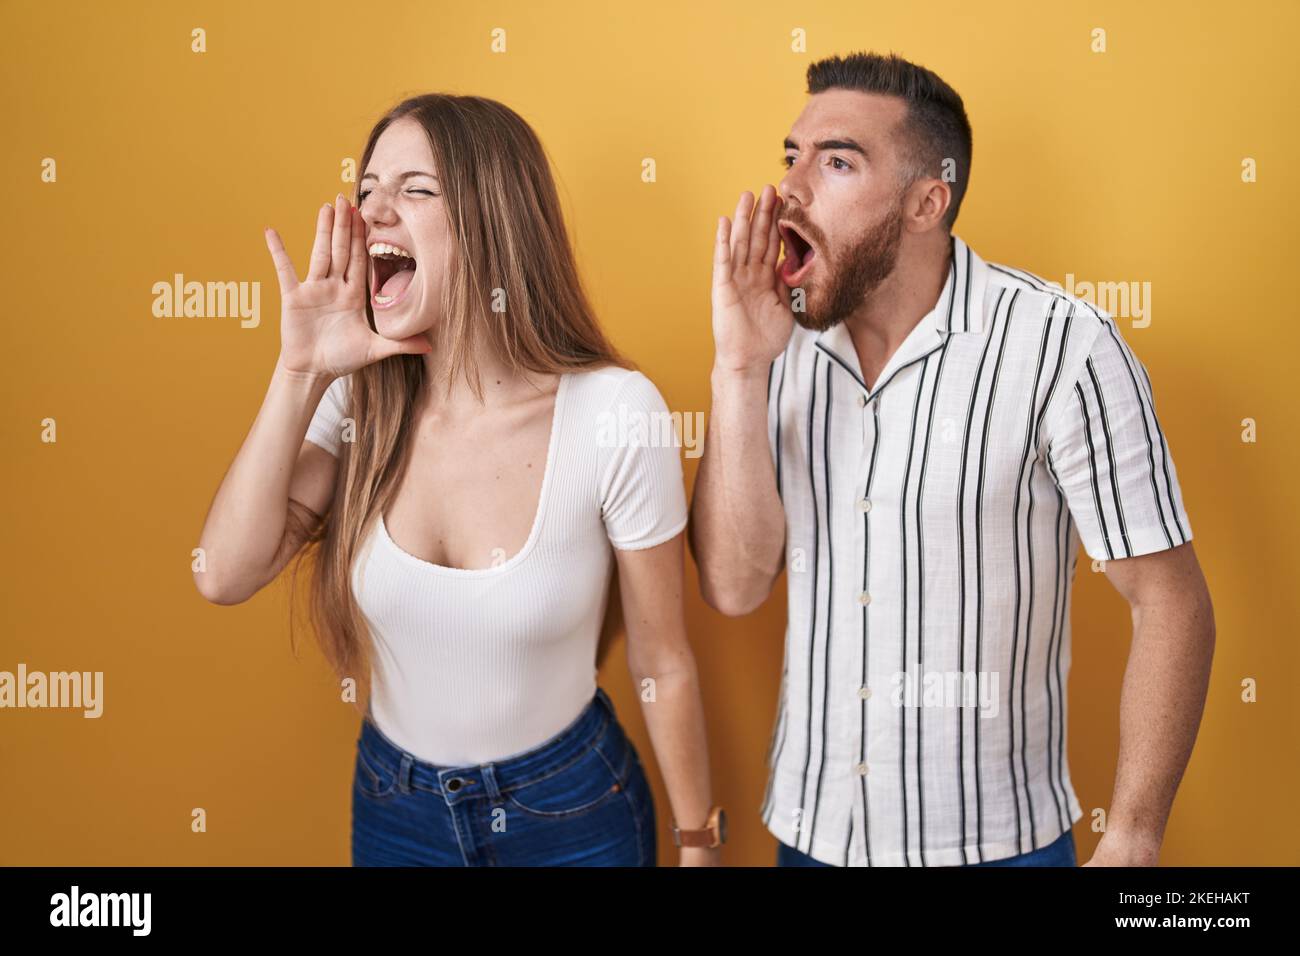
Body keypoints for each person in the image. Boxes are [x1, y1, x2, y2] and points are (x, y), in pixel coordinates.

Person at [689, 52, 1215, 867]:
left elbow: (1170, 601)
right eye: (790, 157)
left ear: (926, 201)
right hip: (810, 836)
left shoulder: (1062, 348)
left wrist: (1136, 830)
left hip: (998, 845)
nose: (789, 189)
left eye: (836, 161)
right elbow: (733, 584)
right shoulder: (773, 344)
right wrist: (739, 369)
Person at [194, 93, 724, 866]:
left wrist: (699, 842)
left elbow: (663, 660)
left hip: (572, 811)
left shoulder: (615, 411)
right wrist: (298, 370)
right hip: (396, 808)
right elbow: (221, 574)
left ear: (493, 221)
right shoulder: (358, 403)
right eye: (366, 188)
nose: (374, 210)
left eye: (415, 189)